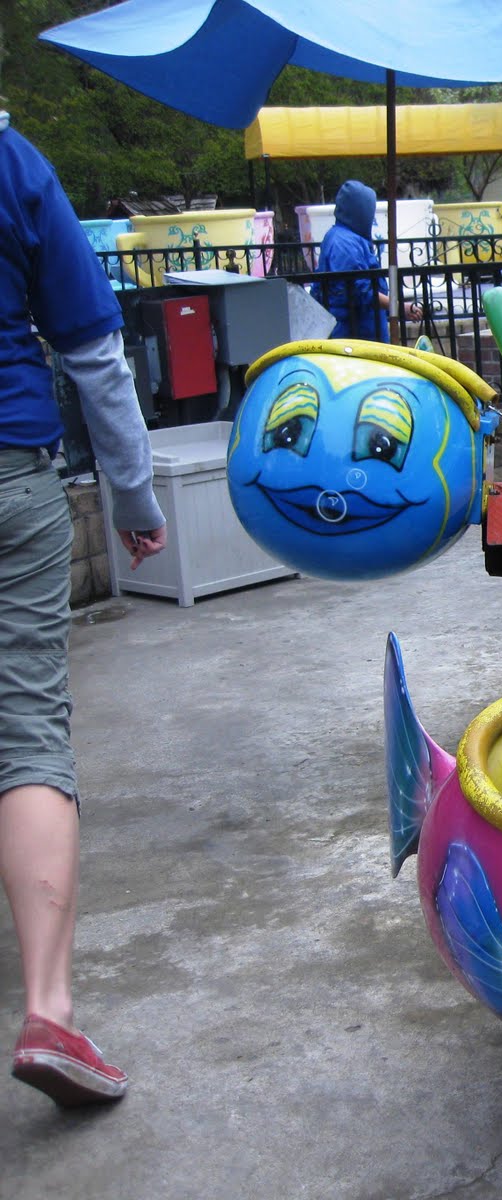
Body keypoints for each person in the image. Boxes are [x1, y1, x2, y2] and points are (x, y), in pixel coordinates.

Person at [0, 111, 167, 1107]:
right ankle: (49, 1010)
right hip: (10, 472)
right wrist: (134, 497)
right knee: (25, 727)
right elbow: (93, 351)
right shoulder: (12, 161)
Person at [310, 180, 419, 342]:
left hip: (362, 329)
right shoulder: (344, 244)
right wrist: (399, 307)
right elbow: (362, 293)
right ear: (360, 210)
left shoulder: (345, 237)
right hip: (355, 334)